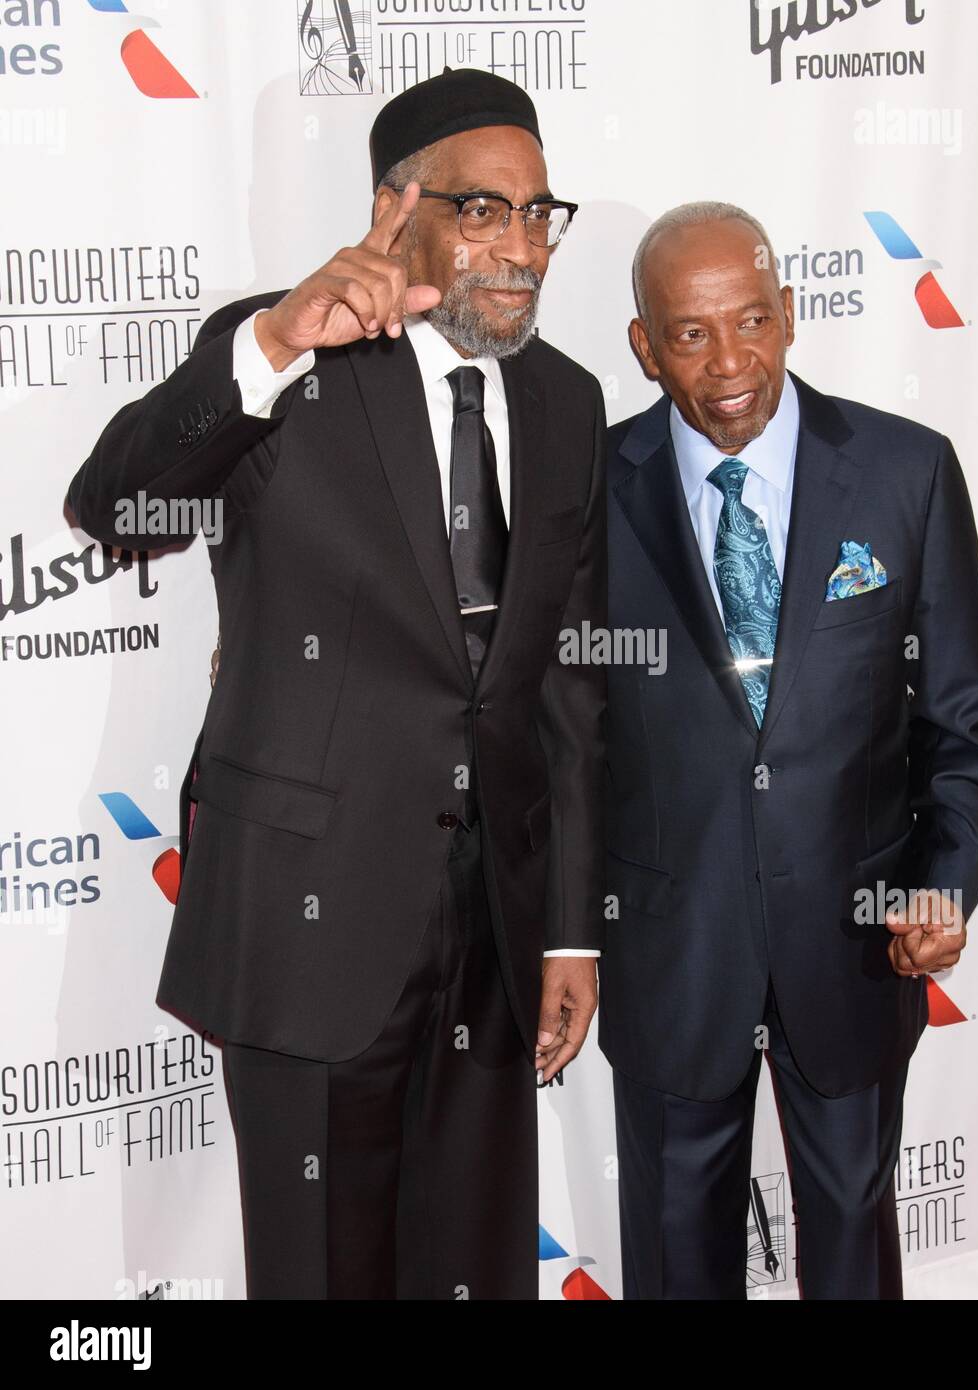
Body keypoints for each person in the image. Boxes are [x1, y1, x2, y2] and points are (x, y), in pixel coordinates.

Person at [66, 68, 606, 1300]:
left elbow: (571, 691)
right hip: (309, 921)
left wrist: (571, 926)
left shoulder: (565, 401)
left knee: (474, 1267)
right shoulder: (288, 352)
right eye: (484, 211)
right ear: (394, 209)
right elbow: (116, 509)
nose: (523, 248)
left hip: (494, 930)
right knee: (321, 1271)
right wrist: (268, 347)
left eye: (538, 214)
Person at [600, 202, 978, 1299]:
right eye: (690, 334)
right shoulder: (585, 494)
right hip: (670, 956)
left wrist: (942, 882)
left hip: (857, 944)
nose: (729, 362)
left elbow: (964, 729)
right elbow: (562, 744)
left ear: (787, 313)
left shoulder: (905, 471)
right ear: (644, 346)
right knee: (675, 1262)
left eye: (750, 321)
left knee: (851, 1254)